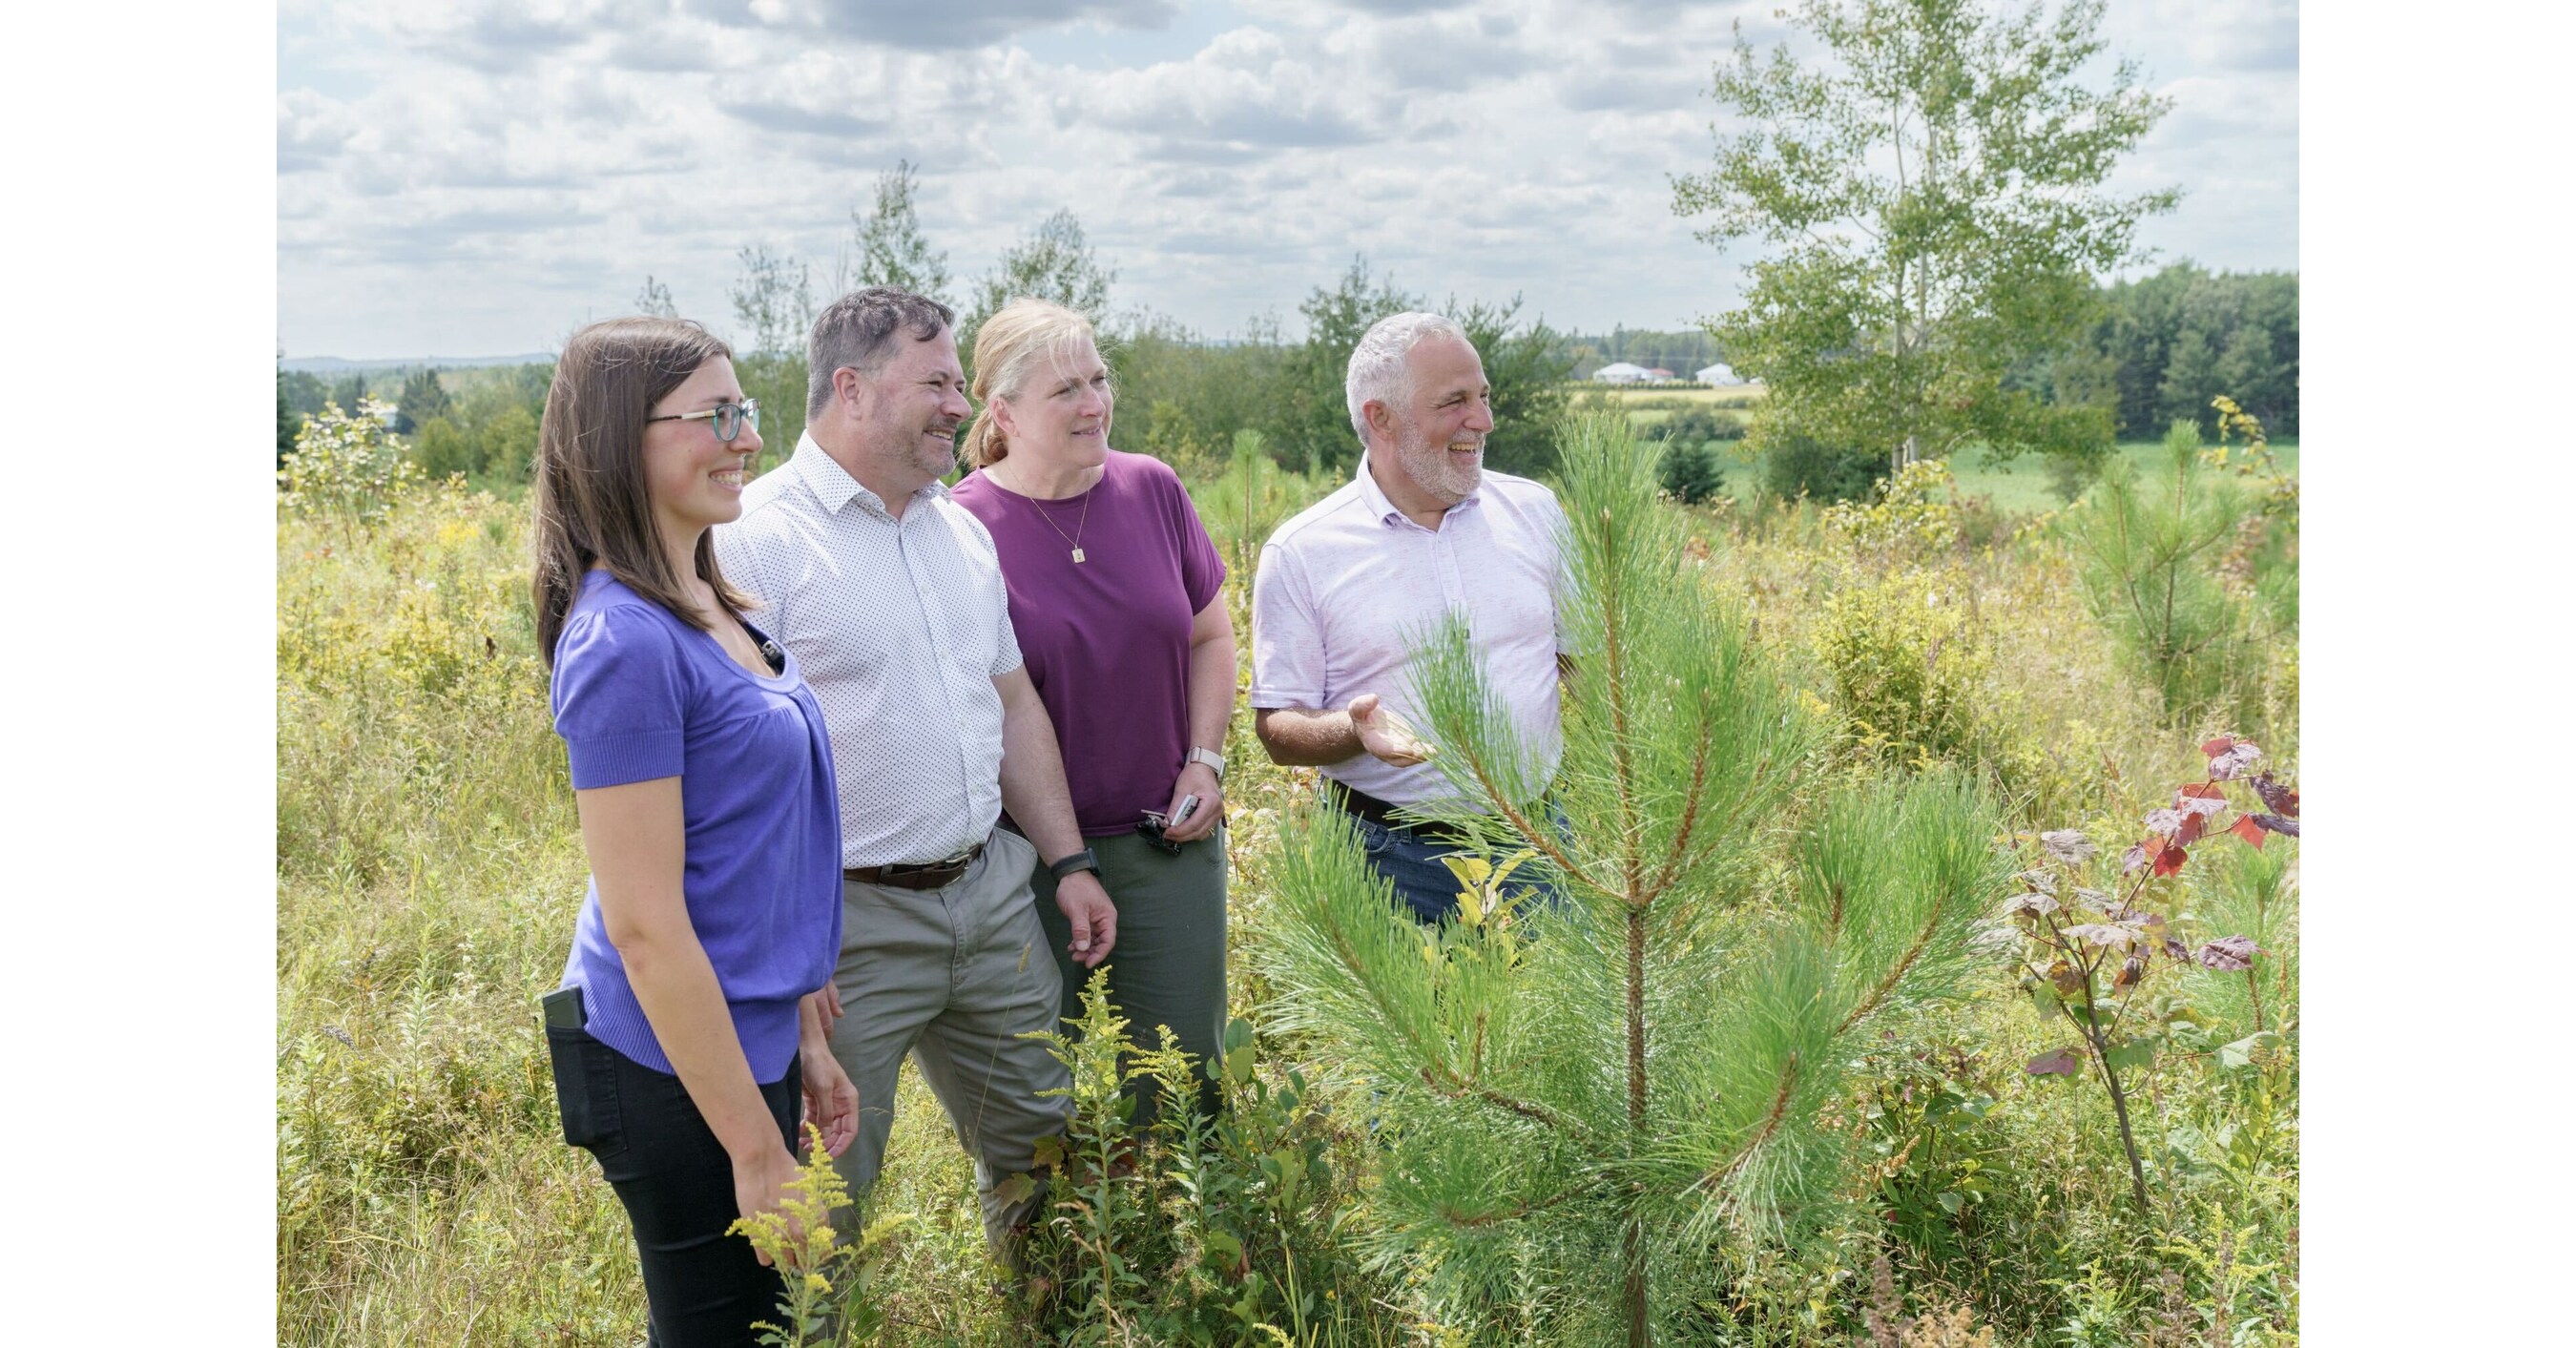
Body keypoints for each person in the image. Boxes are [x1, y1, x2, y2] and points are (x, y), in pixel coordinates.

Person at [712, 287, 1115, 1262]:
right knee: (825, 1196)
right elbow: (725, 774)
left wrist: (1067, 862)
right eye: (935, 382)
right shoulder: (754, 539)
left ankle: (1051, 1323)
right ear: (851, 389)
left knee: (1045, 1162)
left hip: (989, 903)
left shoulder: (960, 531)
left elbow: (1010, 704)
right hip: (845, 933)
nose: (959, 406)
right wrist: (786, 952)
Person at [530, 317, 859, 1347]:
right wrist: (756, 1155)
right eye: (715, 415)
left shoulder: (716, 601)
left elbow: (751, 850)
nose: (748, 439)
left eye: (746, 409)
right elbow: (646, 928)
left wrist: (806, 1031)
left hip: (743, 1031)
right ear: (621, 440)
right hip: (667, 1065)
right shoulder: (623, 640)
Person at [949, 299, 1236, 1119]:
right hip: (1023, 861)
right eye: (1066, 389)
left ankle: (1181, 1248)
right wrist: (1061, 857)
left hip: (1166, 841)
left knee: (1185, 1090)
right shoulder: (960, 526)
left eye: (1100, 379)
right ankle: (1050, 1248)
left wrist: (1205, 760)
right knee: (1031, 1099)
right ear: (1002, 412)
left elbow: (1210, 639)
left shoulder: (1152, 489)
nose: (1094, 403)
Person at [1248, 311, 1572, 924]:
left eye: (1483, 396)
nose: (1481, 420)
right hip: (1386, 861)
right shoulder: (1303, 551)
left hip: (1539, 844)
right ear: (1381, 418)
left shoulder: (1536, 513)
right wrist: (1352, 730)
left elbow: (1579, 665)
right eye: (1453, 402)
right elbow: (1277, 727)